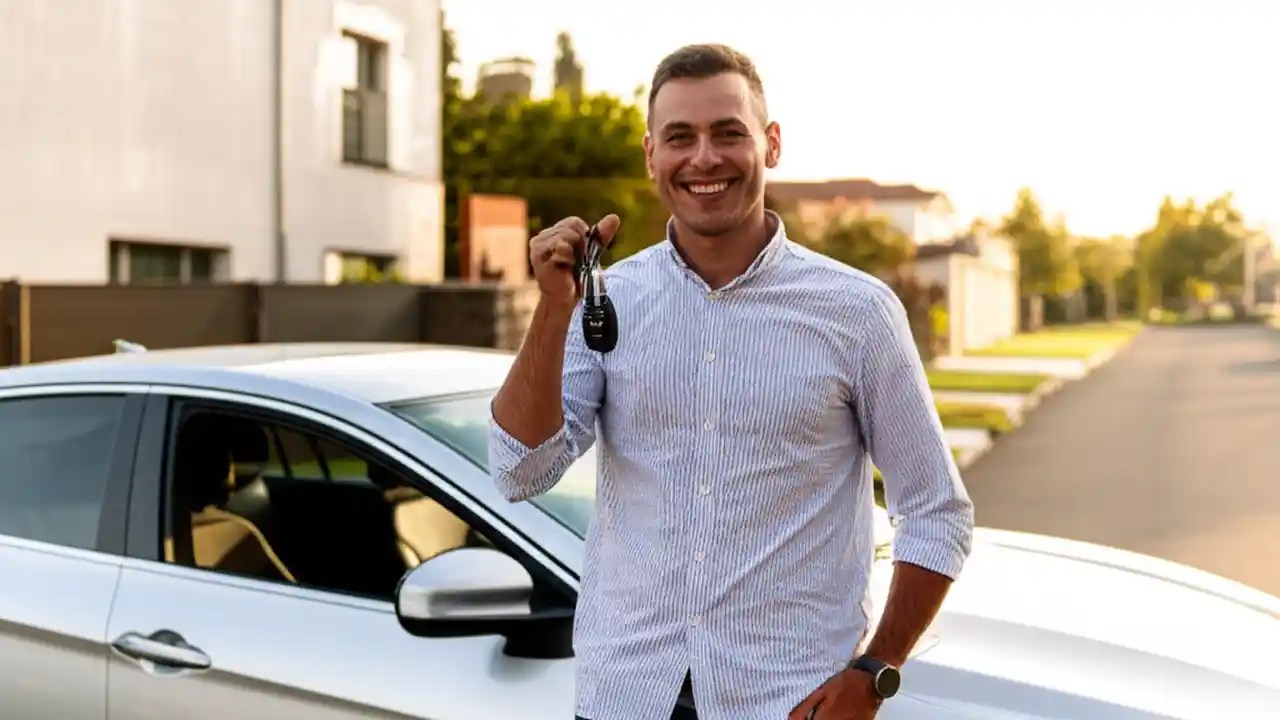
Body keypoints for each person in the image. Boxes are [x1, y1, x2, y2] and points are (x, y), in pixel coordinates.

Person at [488, 42, 975, 720]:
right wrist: (553, 308)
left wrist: (875, 671)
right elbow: (520, 471)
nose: (704, 158)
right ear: (650, 155)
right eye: (680, 137)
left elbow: (936, 512)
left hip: (787, 702)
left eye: (729, 134)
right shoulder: (605, 300)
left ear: (771, 145)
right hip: (625, 699)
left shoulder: (858, 313)